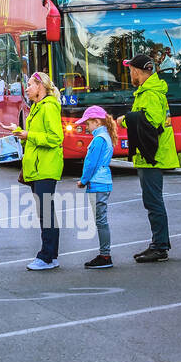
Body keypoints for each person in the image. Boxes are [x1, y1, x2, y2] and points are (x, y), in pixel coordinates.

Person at [124, 53, 177, 262]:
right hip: (148, 154)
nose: (130, 74)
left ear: (137, 71)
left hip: (152, 156)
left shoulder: (150, 93)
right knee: (151, 200)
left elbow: (151, 122)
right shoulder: (146, 91)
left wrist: (125, 119)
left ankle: (160, 246)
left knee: (153, 201)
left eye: (130, 70)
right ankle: (157, 243)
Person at [8, 71, 63, 271]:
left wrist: (28, 134)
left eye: (30, 84)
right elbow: (36, 136)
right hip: (38, 167)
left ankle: (47, 257)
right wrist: (20, 132)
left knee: (46, 214)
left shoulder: (48, 108)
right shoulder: (37, 107)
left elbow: (56, 138)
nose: (27, 88)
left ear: (40, 87)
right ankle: (50, 255)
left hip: (46, 167)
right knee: (45, 213)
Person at [75, 106, 116, 269]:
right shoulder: (105, 136)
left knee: (101, 220)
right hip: (103, 182)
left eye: (88, 123)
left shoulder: (99, 139)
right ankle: (104, 254)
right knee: (101, 220)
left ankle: (105, 255)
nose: (86, 126)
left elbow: (91, 164)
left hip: (97, 183)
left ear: (97, 122)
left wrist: (83, 181)